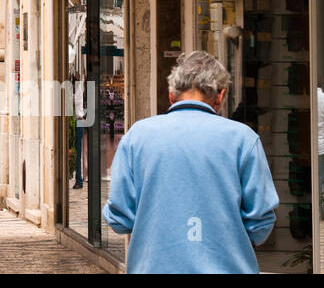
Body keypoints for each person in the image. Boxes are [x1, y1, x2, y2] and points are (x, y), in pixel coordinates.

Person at [103, 51, 278, 273]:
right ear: (221, 96)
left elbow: (120, 219)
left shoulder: (137, 136)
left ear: (171, 96)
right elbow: (260, 224)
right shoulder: (243, 139)